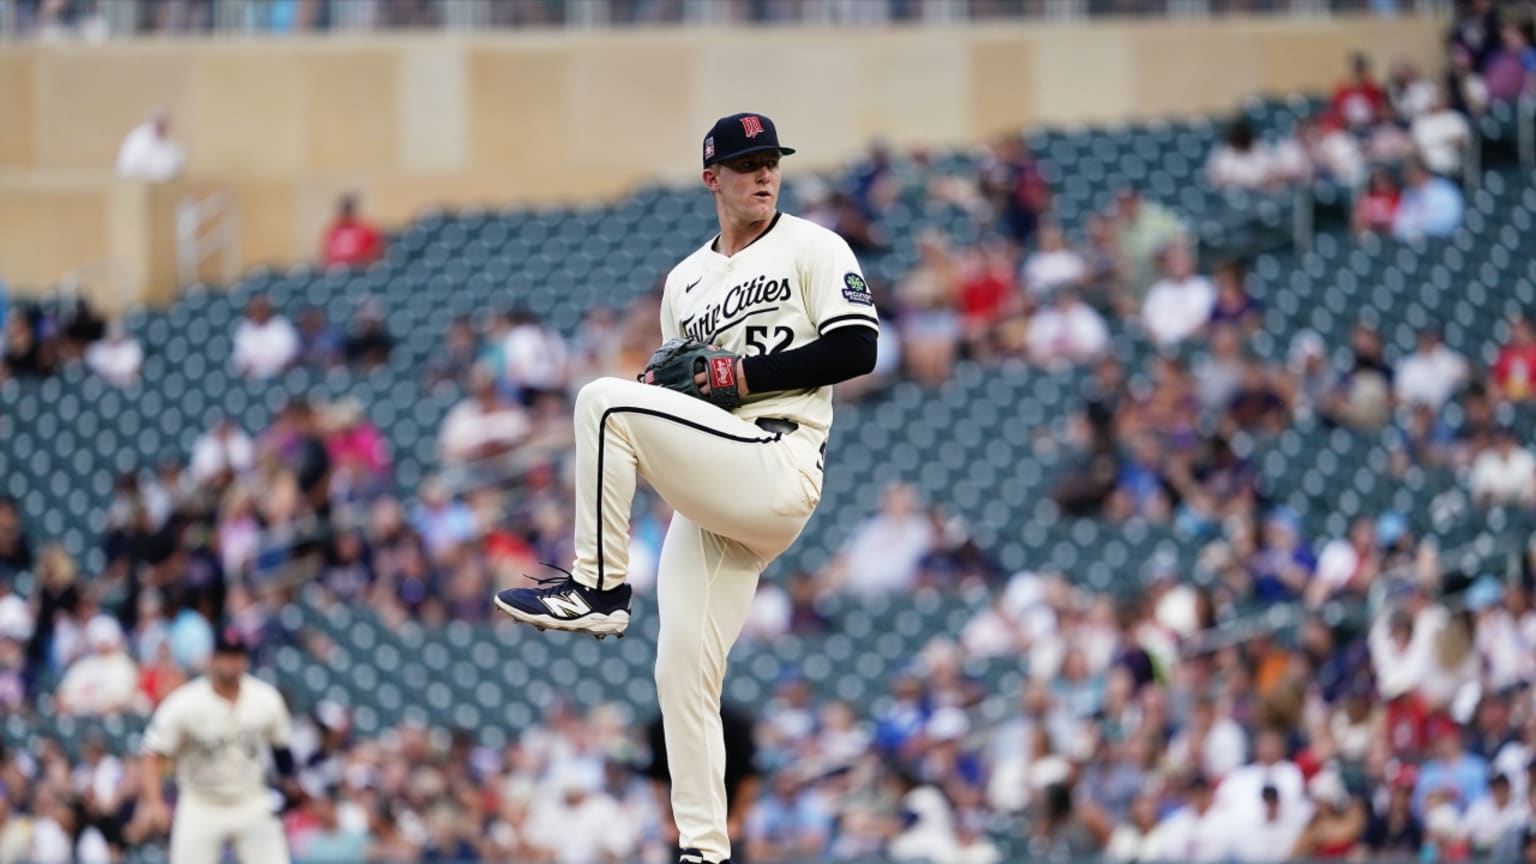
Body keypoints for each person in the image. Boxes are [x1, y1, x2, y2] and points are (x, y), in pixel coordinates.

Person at [493, 112, 878, 864]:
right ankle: (705, 851)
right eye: (746, 163)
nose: (764, 173)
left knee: (598, 402)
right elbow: (687, 386)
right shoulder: (685, 281)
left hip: (778, 456)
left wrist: (736, 377)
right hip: (721, 486)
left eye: (770, 159)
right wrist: (671, 387)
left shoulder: (812, 246)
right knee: (681, 673)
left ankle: (600, 589)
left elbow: (859, 347)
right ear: (714, 179)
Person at [137, 629, 301, 864]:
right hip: (201, 802)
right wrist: (154, 802)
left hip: (251, 799)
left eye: (237, 655)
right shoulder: (185, 703)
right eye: (226, 655)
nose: (232, 663)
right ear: (212, 658)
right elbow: (152, 752)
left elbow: (281, 749)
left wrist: (290, 785)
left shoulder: (266, 699)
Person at [116, 109, 186, 182]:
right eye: (161, 124)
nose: (164, 128)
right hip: (135, 183)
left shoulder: (166, 143)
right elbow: (131, 167)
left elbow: (172, 166)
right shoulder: (138, 141)